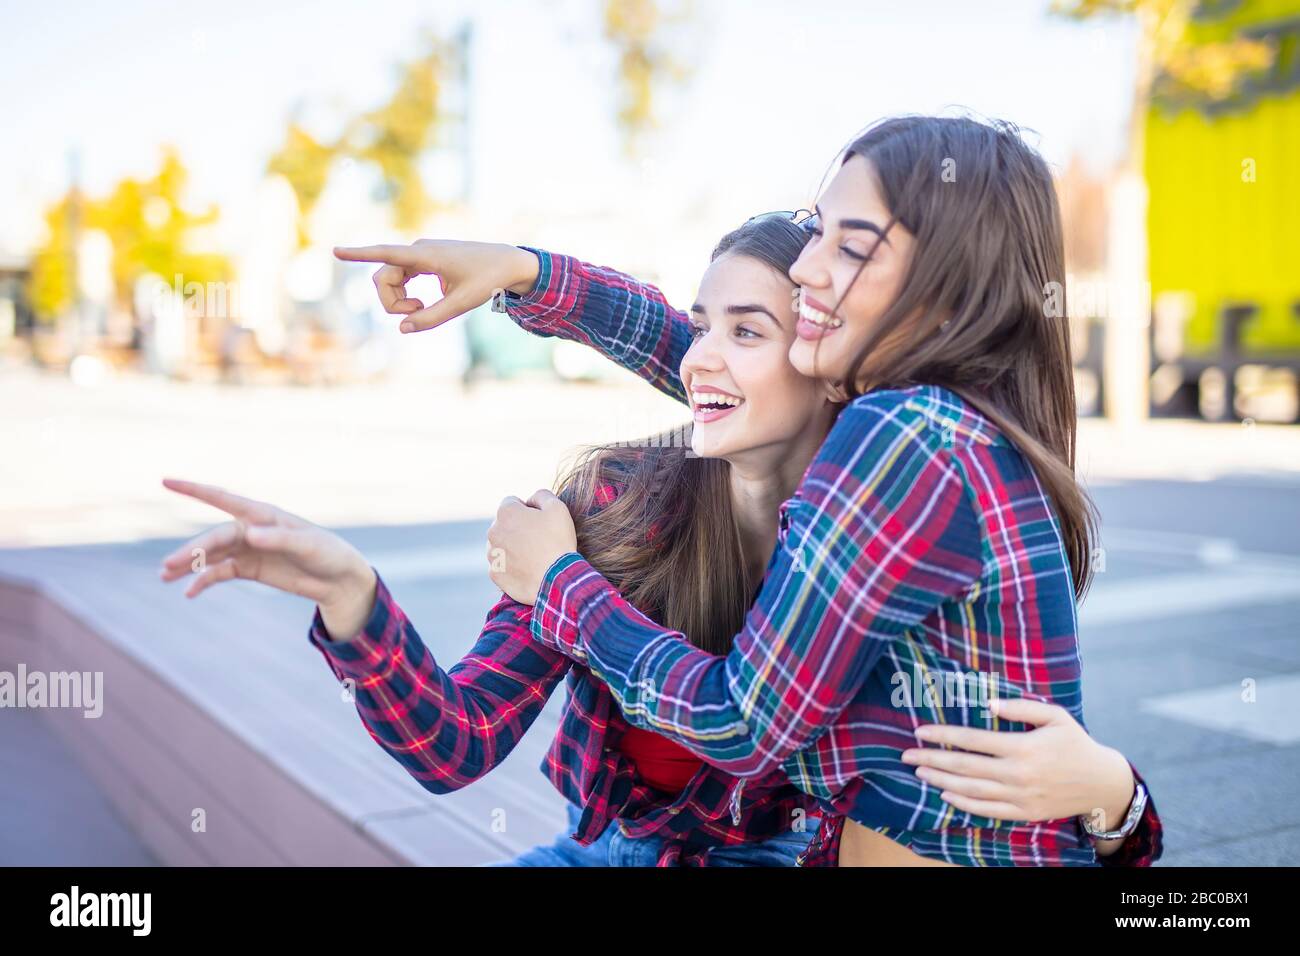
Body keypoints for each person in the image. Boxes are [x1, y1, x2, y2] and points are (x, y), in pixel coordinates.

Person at [337, 115, 1162, 866]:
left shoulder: (898, 439)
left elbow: (740, 724)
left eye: (848, 243)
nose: (810, 264)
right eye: (706, 327)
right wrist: (526, 272)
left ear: (942, 280)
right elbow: (716, 368)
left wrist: (558, 584)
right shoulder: (936, 428)